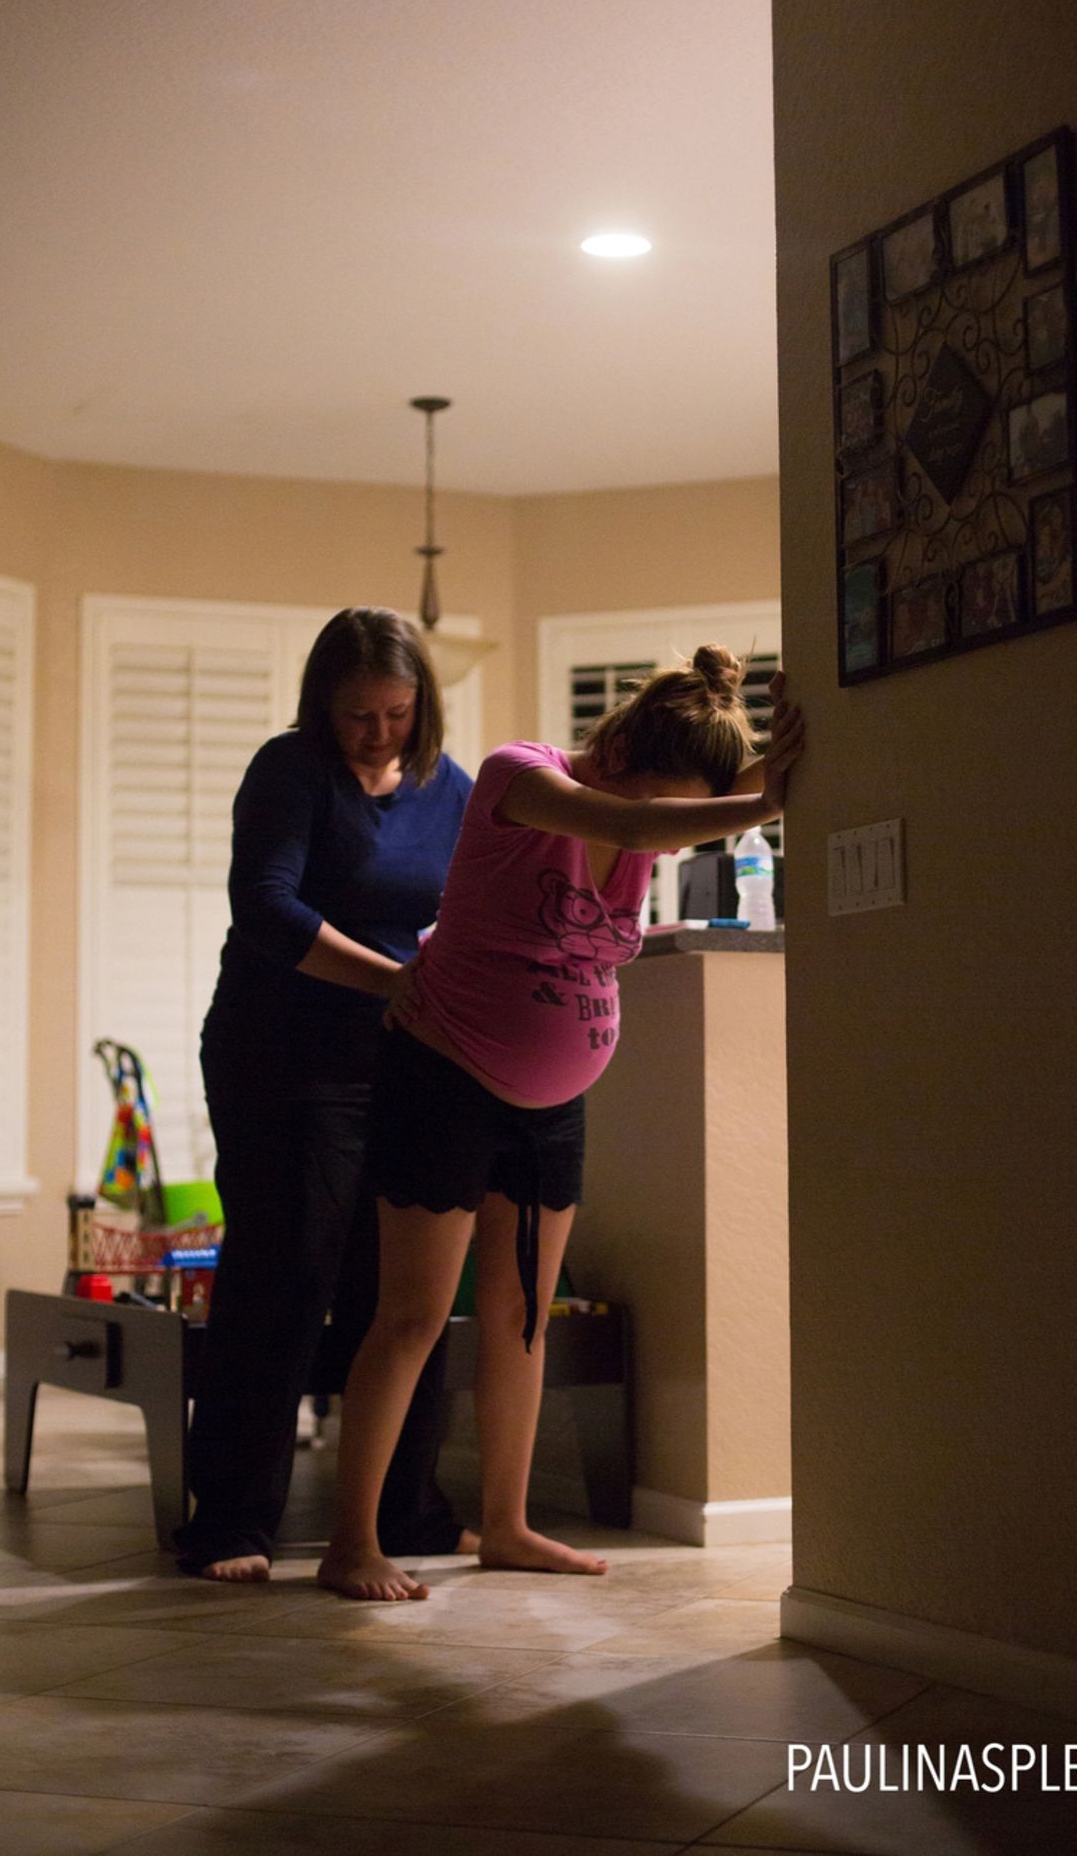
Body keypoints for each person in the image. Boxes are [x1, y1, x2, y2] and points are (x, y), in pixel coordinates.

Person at [317, 645, 805, 1599]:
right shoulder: (519, 775)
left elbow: (674, 806)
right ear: (618, 746)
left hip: (550, 1101)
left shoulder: (649, 810)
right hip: (444, 1077)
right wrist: (761, 802)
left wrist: (798, 737)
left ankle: (507, 1525)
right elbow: (633, 817)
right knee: (414, 1315)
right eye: (667, 809)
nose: (663, 844)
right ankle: (351, 1543)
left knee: (523, 1319)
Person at [175, 607, 478, 1581]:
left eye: (396, 712)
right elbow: (267, 906)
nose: (379, 731)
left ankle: (411, 1511)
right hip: (283, 1054)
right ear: (322, 705)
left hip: (405, 1057)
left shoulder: (449, 786)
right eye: (358, 714)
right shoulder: (290, 770)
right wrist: (396, 980)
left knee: (405, 1286)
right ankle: (229, 1520)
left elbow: (480, 902)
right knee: (286, 1267)